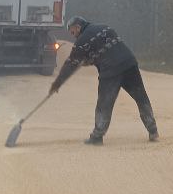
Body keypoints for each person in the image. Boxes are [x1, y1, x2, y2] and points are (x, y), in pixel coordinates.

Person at [50, 16, 159, 145]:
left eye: (73, 32)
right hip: (129, 63)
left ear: (78, 27)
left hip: (110, 71)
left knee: (104, 104)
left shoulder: (82, 42)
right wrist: (90, 60)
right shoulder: (104, 27)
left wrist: (57, 83)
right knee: (141, 97)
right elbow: (105, 49)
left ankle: (97, 136)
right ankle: (153, 131)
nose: (73, 36)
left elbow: (71, 64)